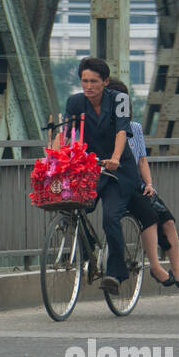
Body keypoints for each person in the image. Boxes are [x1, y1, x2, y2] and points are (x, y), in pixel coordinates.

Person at [61, 57, 139, 292]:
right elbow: (66, 132)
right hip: (90, 168)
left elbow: (121, 130)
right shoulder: (75, 102)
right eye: (84, 80)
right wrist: (56, 157)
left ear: (105, 81)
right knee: (73, 207)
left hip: (117, 170)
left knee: (110, 218)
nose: (88, 86)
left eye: (94, 81)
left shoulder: (120, 100)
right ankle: (87, 251)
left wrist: (115, 157)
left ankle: (115, 273)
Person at [106, 79, 179, 290]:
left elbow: (142, 159)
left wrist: (150, 183)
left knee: (169, 221)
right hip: (118, 185)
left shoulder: (134, 128)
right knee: (149, 216)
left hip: (139, 184)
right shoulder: (105, 131)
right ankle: (155, 266)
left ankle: (178, 272)